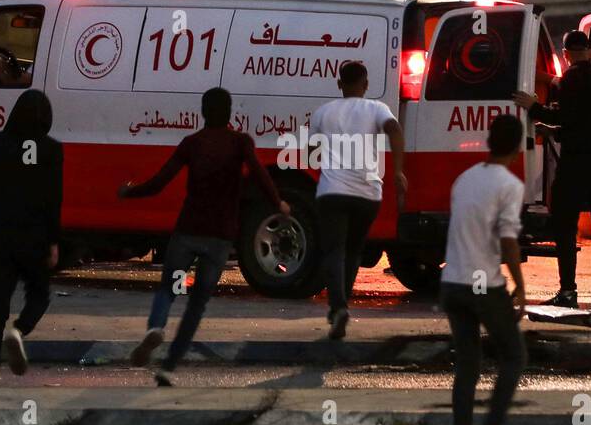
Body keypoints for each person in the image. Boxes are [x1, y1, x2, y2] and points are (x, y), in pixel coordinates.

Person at [120, 87, 289, 385]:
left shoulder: (192, 143)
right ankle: (168, 368)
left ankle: (155, 327)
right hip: (219, 238)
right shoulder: (240, 143)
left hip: (188, 232)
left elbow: (160, 182)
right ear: (229, 113)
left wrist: (130, 192)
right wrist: (279, 204)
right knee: (197, 305)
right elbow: (261, 176)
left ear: (203, 112)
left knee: (170, 288)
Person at [440, 113, 528, 425]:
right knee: (514, 356)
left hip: (453, 284)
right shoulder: (510, 184)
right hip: (483, 286)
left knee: (467, 366)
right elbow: (507, 240)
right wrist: (520, 284)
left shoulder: (464, 178)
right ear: (518, 145)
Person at [513, 30, 591, 309]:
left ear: (565, 54)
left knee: (564, 227)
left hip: (576, 164)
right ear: (588, 51)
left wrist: (534, 108)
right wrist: (554, 130)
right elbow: (586, 120)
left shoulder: (570, 80)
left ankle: (568, 291)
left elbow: (565, 116)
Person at [0, 89, 63, 386]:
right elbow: (53, 199)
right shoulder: (51, 150)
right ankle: (19, 331)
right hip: (34, 237)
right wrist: (53, 241)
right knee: (39, 295)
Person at [309, 61, 406, 339]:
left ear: (339, 84)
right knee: (353, 250)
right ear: (366, 85)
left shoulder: (324, 112)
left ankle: (338, 306)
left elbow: (311, 149)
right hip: (367, 194)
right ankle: (342, 304)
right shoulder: (377, 108)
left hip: (332, 192)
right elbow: (395, 130)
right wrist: (397, 170)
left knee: (334, 251)